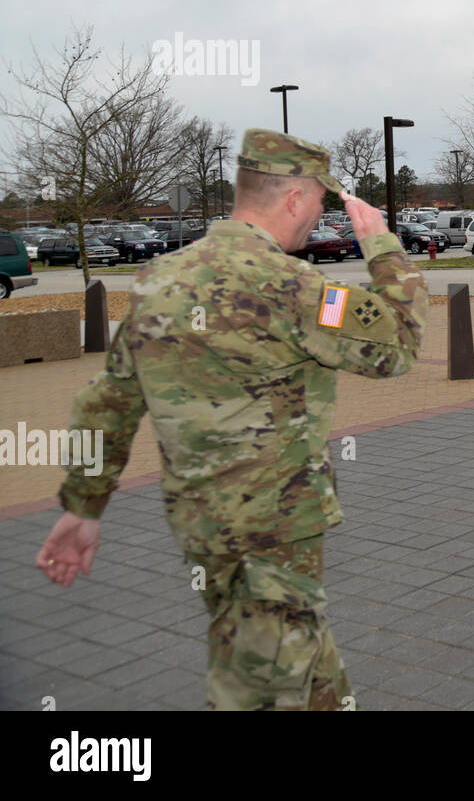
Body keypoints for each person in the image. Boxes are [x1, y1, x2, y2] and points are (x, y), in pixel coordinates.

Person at [34, 129, 429, 710]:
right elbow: (399, 344)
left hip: (203, 527)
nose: (318, 217)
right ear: (294, 198)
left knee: (307, 675)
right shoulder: (293, 287)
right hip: (272, 532)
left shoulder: (157, 280)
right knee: (260, 686)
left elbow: (109, 401)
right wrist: (381, 245)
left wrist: (83, 506)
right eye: (318, 202)